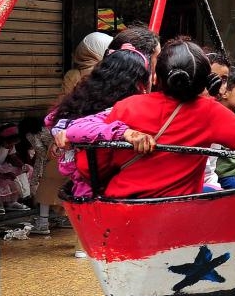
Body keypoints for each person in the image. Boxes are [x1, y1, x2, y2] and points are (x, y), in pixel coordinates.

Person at [94, 38, 235, 197]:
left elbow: (92, 164)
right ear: (207, 81)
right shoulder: (209, 112)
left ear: (155, 77)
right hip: (179, 213)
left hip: (119, 207)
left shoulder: (126, 106)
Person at [46, 45, 156, 198]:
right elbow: (73, 128)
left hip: (85, 191)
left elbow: (54, 120)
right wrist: (125, 132)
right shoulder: (117, 111)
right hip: (99, 193)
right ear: (140, 84)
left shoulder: (88, 103)